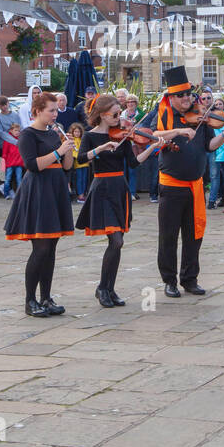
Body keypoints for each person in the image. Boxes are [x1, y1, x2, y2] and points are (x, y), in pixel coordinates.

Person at [154, 66, 224, 298]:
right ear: (171, 97)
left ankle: (190, 279)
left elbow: (209, 146)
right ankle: (169, 281)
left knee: (194, 235)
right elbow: (153, 136)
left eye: (189, 94)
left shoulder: (201, 116)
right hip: (171, 186)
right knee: (168, 236)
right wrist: (179, 131)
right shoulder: (164, 115)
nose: (187, 98)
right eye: (181, 95)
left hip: (195, 186)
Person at [76, 95, 164, 307]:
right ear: (102, 114)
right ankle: (102, 288)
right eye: (115, 114)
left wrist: (151, 147)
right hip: (102, 187)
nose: (119, 118)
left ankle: (109, 288)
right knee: (116, 241)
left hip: (119, 188)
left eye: (119, 113)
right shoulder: (90, 136)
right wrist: (100, 149)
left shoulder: (122, 137)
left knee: (117, 242)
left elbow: (133, 163)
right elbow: (81, 158)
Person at [4, 91, 75, 317]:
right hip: (38, 190)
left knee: (51, 248)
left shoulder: (54, 133)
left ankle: (46, 297)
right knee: (41, 248)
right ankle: (30, 300)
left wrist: (68, 149)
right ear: (37, 111)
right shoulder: (28, 134)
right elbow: (33, 165)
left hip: (55, 189)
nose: (55, 114)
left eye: (56, 110)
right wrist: (58, 151)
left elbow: (67, 166)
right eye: (51, 111)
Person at [1, 123, 25, 199]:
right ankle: (6, 194)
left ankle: (19, 195)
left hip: (19, 163)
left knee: (19, 179)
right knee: (8, 179)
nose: (17, 132)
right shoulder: (8, 140)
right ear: (11, 131)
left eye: (19, 131)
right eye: (15, 130)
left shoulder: (21, 140)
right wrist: (3, 163)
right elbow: (4, 153)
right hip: (10, 164)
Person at [70, 122, 89, 202]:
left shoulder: (83, 140)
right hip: (77, 163)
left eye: (78, 132)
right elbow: (73, 152)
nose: (77, 133)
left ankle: (83, 194)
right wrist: (79, 156)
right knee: (79, 179)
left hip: (85, 163)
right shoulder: (72, 140)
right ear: (72, 132)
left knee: (84, 179)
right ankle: (80, 195)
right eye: (75, 131)